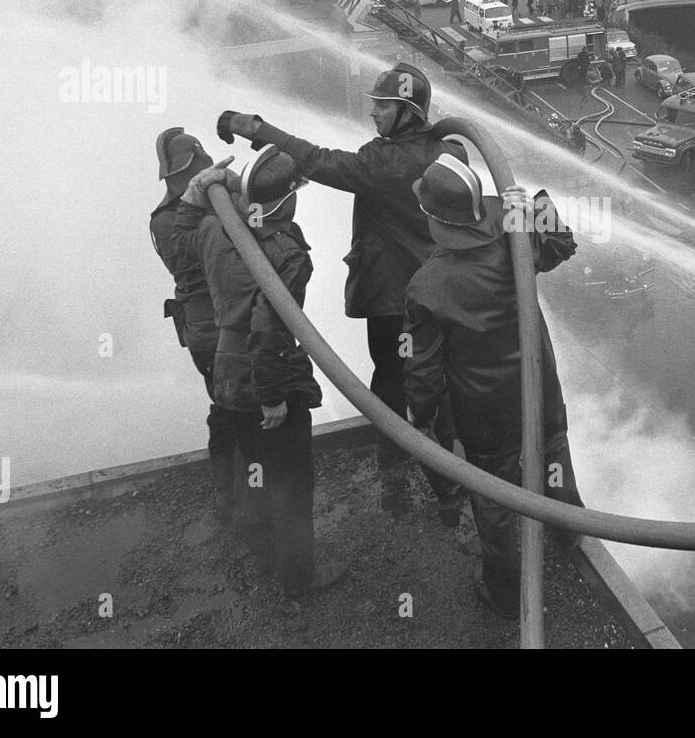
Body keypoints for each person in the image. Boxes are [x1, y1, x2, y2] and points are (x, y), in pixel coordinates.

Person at [216, 63, 464, 518]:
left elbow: (316, 161)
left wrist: (256, 129)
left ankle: (403, 485)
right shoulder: (447, 153)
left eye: (382, 106)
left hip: (393, 303)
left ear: (407, 112)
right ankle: (451, 483)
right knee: (437, 383)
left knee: (390, 387)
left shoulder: (381, 164)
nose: (372, 112)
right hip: (439, 297)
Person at [403, 156, 583, 618]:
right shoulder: (512, 234)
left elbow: (421, 367)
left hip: (487, 410)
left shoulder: (428, 285)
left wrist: (419, 418)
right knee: (553, 451)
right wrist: (537, 206)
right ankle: (569, 531)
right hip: (539, 384)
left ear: (434, 218)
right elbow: (563, 242)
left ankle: (505, 594)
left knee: (495, 495)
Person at [172, 149, 343, 598]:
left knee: (256, 467)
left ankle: (261, 548)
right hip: (267, 374)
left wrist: (194, 195)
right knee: (292, 481)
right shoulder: (287, 254)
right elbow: (269, 328)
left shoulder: (214, 229)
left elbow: (178, 242)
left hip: (226, 371)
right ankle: (298, 578)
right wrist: (273, 395)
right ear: (287, 201)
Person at [150, 128, 232, 520]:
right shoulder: (181, 218)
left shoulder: (167, 215)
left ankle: (232, 490)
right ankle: (239, 494)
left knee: (225, 402)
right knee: (233, 406)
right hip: (215, 325)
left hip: (202, 327)